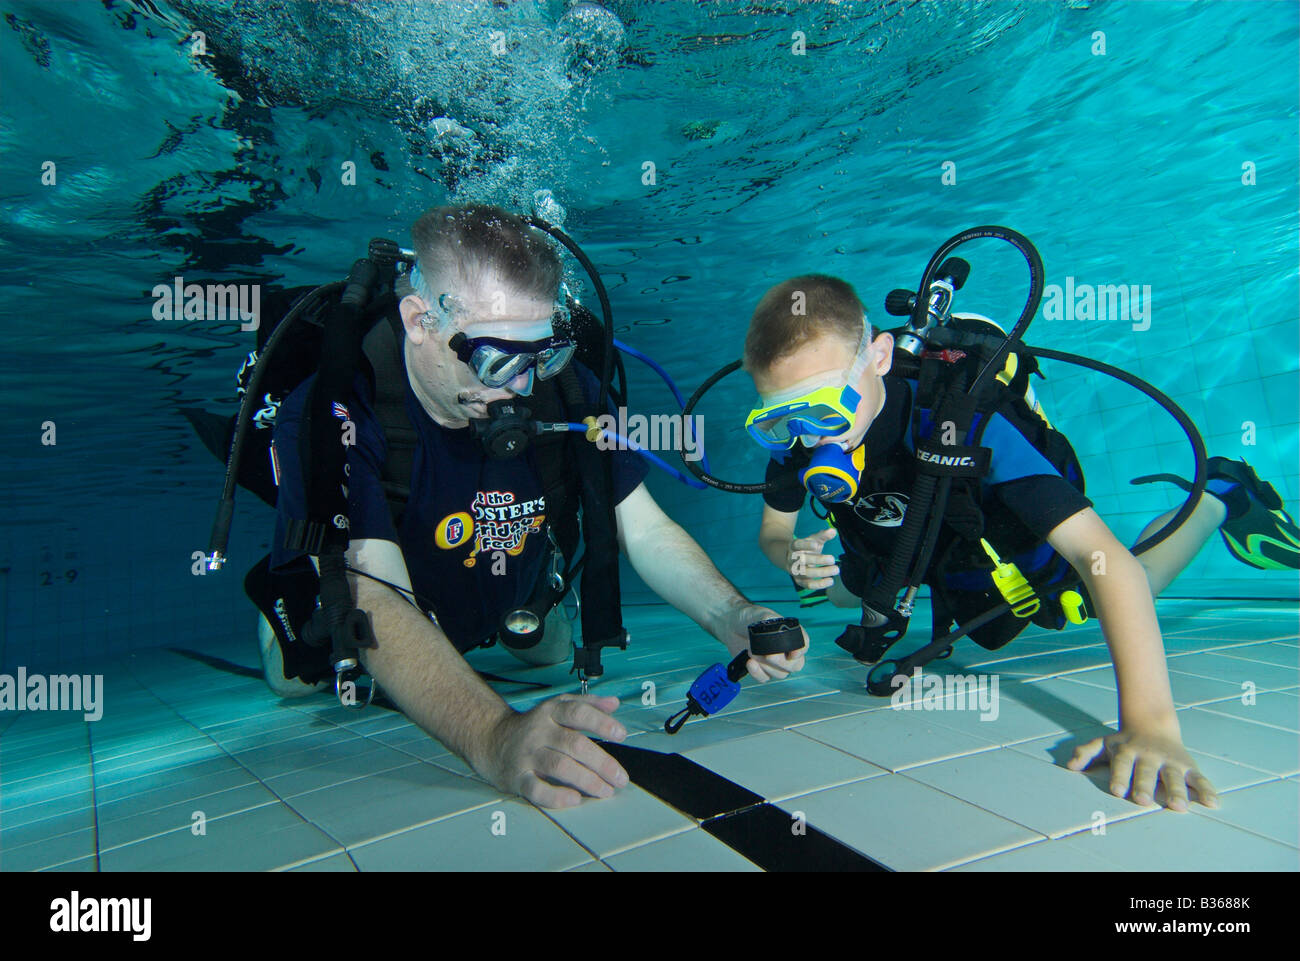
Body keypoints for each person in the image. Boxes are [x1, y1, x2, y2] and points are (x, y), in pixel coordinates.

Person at [253, 204, 807, 810]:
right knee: (294, 680)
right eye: (497, 359)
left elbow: (644, 530)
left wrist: (734, 615)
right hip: (388, 586)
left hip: (503, 580)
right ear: (419, 321)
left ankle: (525, 598)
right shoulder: (335, 412)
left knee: (545, 651)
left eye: (542, 355)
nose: (522, 388)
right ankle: (295, 582)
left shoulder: (566, 391)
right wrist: (495, 735)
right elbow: (376, 597)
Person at [744, 274, 1299, 813]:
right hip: (911, 554)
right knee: (830, 589)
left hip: (1004, 546)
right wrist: (791, 556)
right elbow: (774, 532)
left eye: (824, 407)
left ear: (880, 357)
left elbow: (1101, 560)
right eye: (781, 419)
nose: (811, 437)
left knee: (1125, 585)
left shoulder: (962, 421)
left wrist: (1150, 728)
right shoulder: (796, 442)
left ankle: (1221, 494)